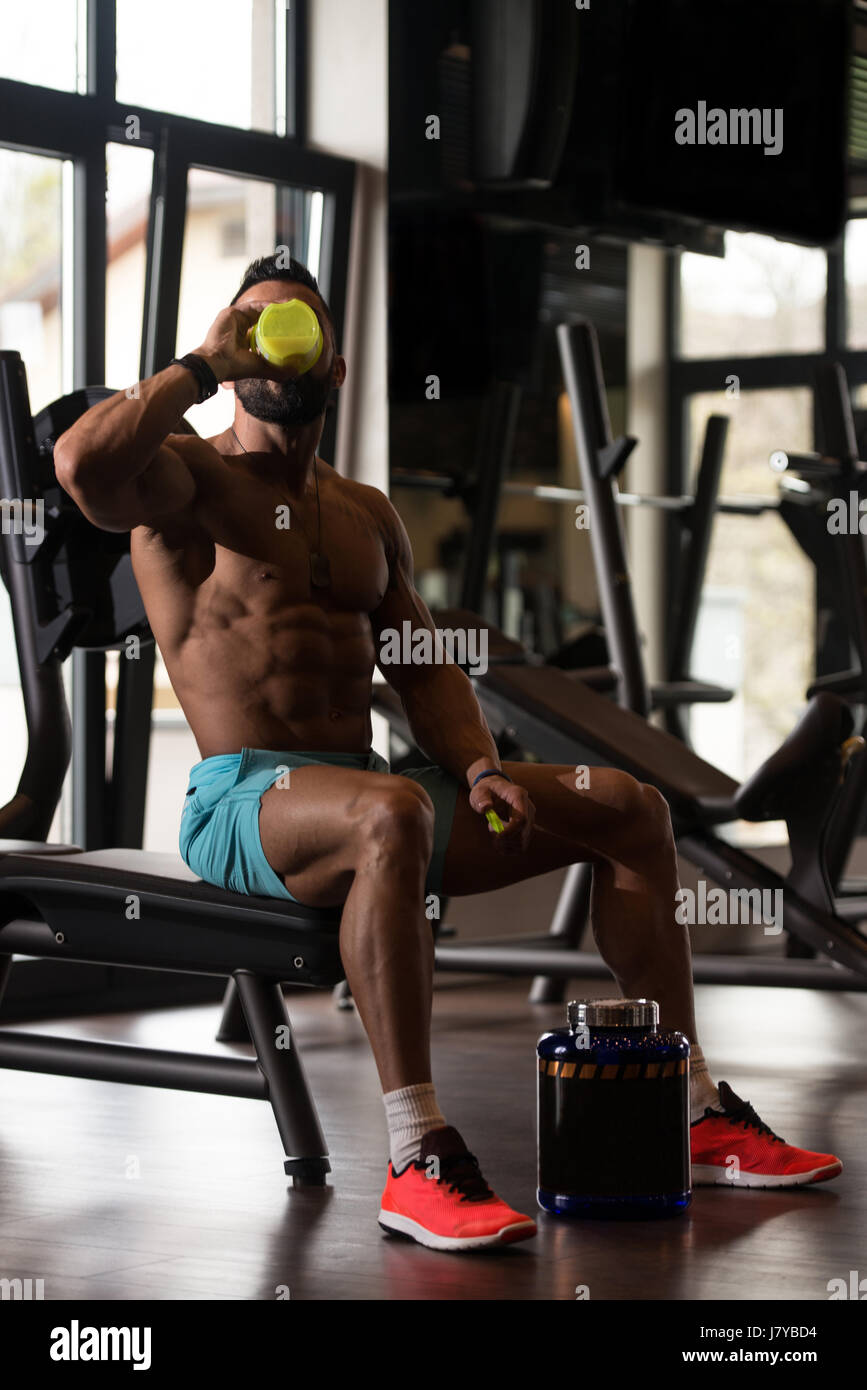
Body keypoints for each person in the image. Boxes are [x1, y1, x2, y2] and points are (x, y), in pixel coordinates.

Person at [54, 254, 842, 1253]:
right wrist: (199, 365)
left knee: (631, 809)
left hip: (383, 799)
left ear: (333, 368)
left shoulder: (367, 513)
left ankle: (690, 1107)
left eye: (288, 329)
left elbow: (423, 668)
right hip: (244, 802)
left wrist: (478, 766)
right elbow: (82, 465)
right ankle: (415, 1152)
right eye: (247, 328)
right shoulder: (187, 477)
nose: (266, 346)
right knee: (393, 809)